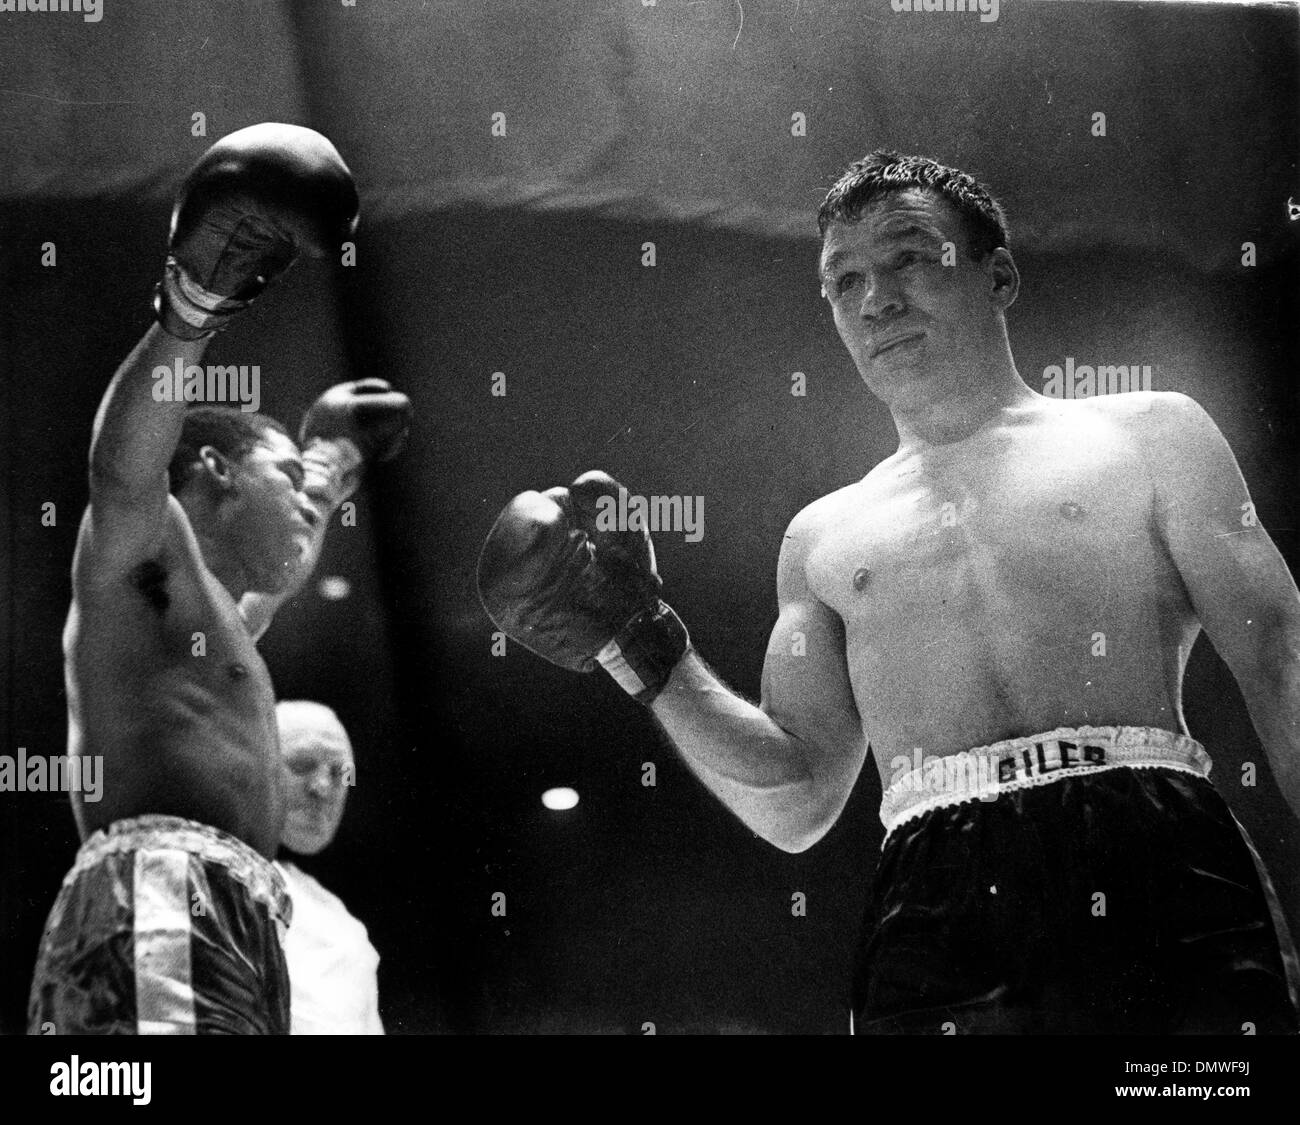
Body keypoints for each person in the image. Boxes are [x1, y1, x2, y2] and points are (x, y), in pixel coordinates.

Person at [477, 151, 1300, 1034]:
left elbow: (1279, 660)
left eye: (910, 256)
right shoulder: (823, 536)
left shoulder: (1151, 434)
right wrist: (634, 642)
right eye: (845, 280)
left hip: (1158, 860)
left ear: (999, 276)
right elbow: (797, 798)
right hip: (936, 902)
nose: (877, 299)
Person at [27, 123, 411, 1035]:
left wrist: (327, 457)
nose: (314, 509)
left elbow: (287, 552)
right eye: (291, 481)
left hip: (232, 914)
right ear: (217, 472)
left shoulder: (214, 627)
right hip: (161, 896)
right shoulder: (138, 560)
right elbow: (121, 471)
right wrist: (191, 310)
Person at [275, 700, 384, 1035]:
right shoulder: (213, 883)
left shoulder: (347, 929)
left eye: (339, 772)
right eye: (302, 764)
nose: (322, 787)